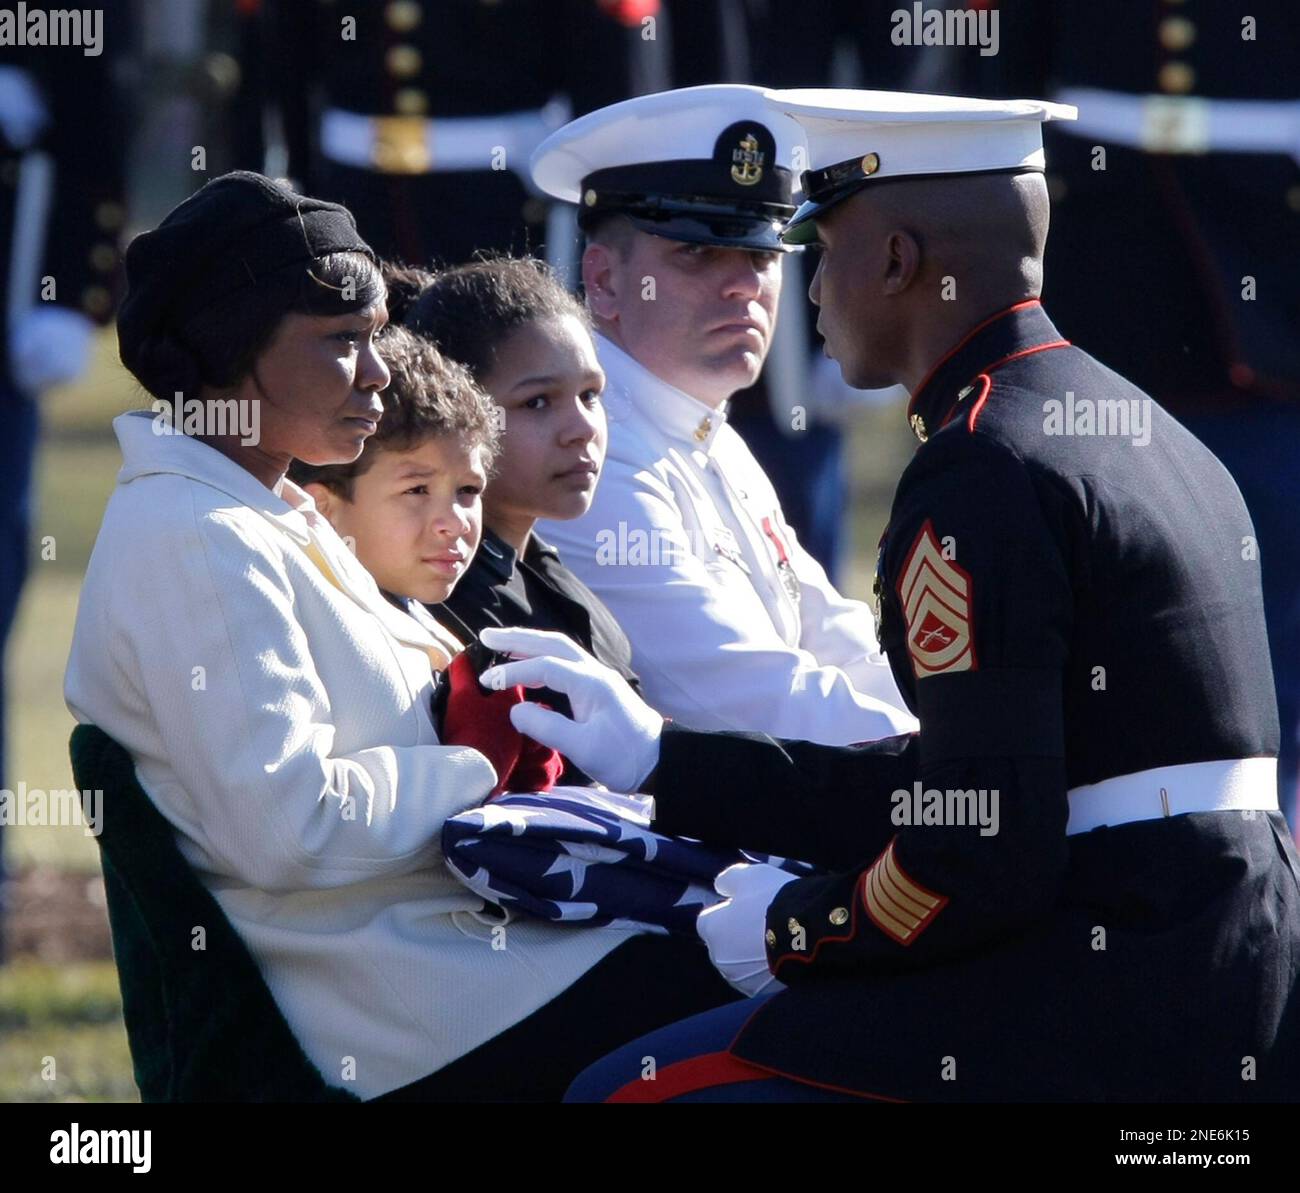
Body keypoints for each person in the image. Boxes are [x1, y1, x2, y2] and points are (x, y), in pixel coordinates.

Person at [479, 90, 1300, 1102]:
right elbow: (960, 768)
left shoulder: (980, 462)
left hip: (1101, 980)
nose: (797, 289)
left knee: (618, 1089)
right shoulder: (1129, 423)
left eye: (809, 250)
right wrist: (663, 757)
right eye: (707, 254)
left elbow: (979, 834)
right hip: (1211, 950)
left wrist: (801, 923)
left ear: (899, 263)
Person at [63, 172, 737, 1103]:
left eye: (374, 336)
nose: (380, 370)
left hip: (476, 957)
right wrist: (474, 761)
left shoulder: (260, 509)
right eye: (343, 342)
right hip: (422, 1008)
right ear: (231, 352)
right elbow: (289, 829)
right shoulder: (198, 542)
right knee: (799, 1006)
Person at [528, 83, 916, 746]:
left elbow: (838, 639)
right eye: (699, 252)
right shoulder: (595, 448)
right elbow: (744, 695)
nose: (743, 285)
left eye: (762, 254)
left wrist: (966, 726)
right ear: (604, 280)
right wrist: (955, 758)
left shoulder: (701, 428)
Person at [389, 257, 641, 786]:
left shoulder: (540, 566)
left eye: (590, 394)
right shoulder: (444, 592)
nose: (581, 429)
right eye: (538, 402)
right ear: (462, 413)